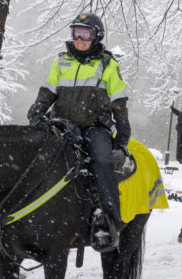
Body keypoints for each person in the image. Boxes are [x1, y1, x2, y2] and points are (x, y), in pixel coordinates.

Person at [27, 13, 130, 252]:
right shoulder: (61, 61)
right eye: (76, 33)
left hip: (94, 126)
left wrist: (123, 126)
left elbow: (118, 98)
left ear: (96, 37)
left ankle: (107, 219)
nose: (80, 39)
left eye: (86, 34)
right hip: (61, 124)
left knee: (102, 161)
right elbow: (49, 90)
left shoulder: (107, 64)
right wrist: (38, 108)